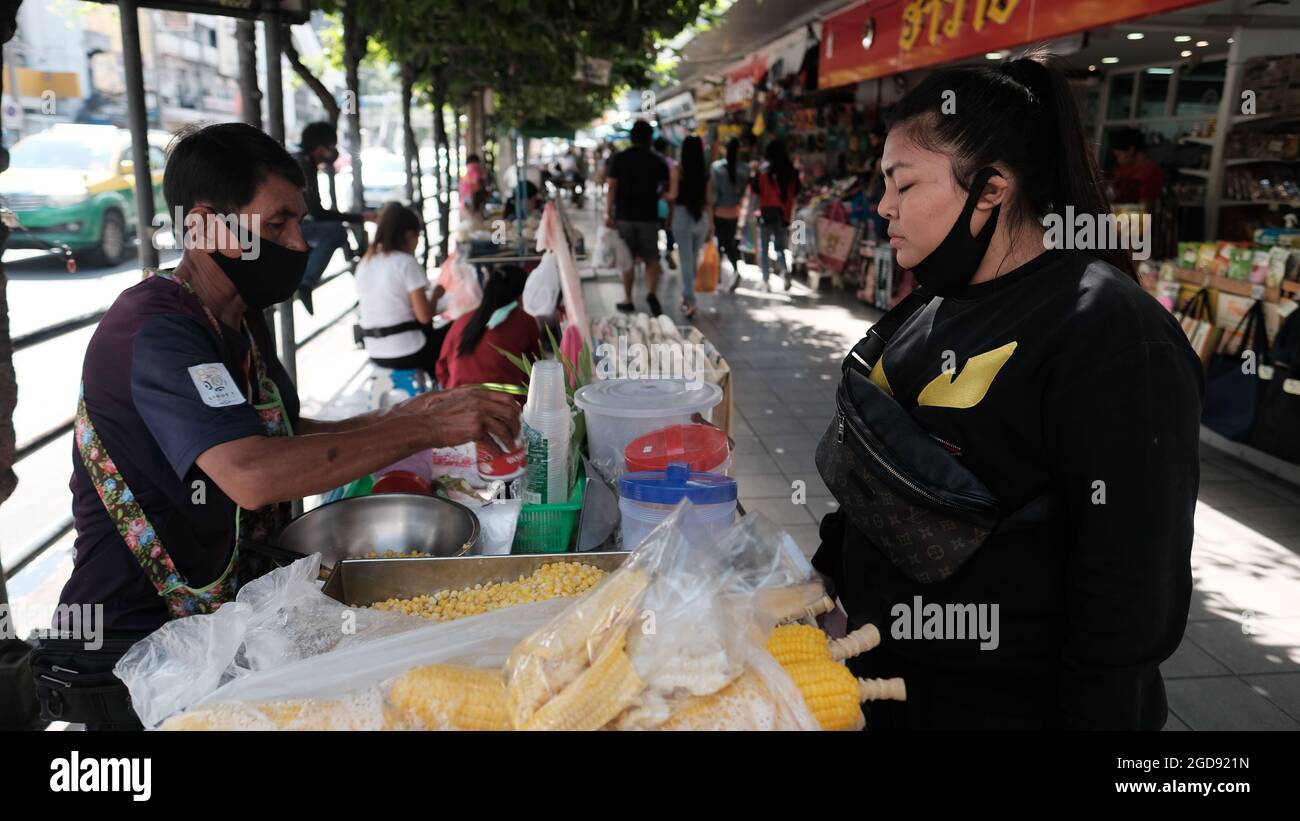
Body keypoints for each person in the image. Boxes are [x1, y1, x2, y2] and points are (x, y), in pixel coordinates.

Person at [48, 123, 520, 729]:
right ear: (207, 224)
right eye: (276, 225)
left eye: (298, 222)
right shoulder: (155, 329)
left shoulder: (238, 318)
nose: (298, 244)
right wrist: (422, 432)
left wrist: (410, 413)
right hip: (136, 655)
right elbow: (251, 472)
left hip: (222, 630)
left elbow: (285, 432)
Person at [812, 53, 1203, 731]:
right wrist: (822, 575)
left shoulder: (1111, 333)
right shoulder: (930, 304)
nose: (882, 208)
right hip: (884, 689)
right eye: (882, 183)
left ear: (990, 189)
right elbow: (882, 477)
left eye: (903, 184)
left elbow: (1130, 585)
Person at [292, 121, 377, 315]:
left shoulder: (303, 162)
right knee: (335, 231)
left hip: (291, 225)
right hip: (286, 227)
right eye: (331, 147)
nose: (333, 152)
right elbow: (317, 213)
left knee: (335, 231)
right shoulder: (303, 164)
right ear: (319, 147)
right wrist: (361, 217)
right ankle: (306, 282)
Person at [355, 202, 444, 376]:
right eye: (417, 237)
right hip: (409, 351)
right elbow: (424, 316)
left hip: (375, 351)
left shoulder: (366, 262)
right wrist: (436, 295)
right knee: (460, 331)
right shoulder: (405, 262)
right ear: (409, 235)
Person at [436, 265, 541, 389]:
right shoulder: (526, 322)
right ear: (522, 293)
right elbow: (536, 371)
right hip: (504, 403)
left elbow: (441, 368)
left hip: (458, 400)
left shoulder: (462, 320)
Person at [606, 120, 669, 316]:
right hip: (649, 216)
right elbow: (665, 188)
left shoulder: (619, 159)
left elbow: (612, 187)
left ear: (631, 137)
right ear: (650, 139)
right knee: (652, 258)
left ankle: (628, 299)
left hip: (624, 216)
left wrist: (608, 212)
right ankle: (651, 293)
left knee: (628, 259)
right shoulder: (658, 160)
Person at [665, 135, 712, 319]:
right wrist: (712, 226)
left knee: (685, 260)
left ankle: (691, 301)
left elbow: (673, 195)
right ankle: (687, 296)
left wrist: (664, 194)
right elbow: (709, 202)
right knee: (692, 259)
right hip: (701, 218)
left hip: (682, 216)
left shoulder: (677, 170)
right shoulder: (705, 172)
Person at [751, 138, 800, 292]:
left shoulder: (765, 172)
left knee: (764, 249)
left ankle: (766, 281)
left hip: (767, 212)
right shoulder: (791, 172)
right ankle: (784, 271)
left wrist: (754, 174)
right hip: (783, 214)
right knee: (780, 247)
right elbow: (796, 191)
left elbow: (757, 190)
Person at [710, 137, 750, 292]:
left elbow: (713, 194)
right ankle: (734, 270)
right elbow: (743, 192)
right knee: (730, 244)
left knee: (719, 244)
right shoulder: (744, 169)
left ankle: (719, 276)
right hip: (734, 212)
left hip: (719, 212)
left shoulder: (716, 168)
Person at [1109, 127, 1165, 210]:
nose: (1118, 160)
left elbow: (1144, 209)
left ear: (1131, 150)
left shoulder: (1150, 172)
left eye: (1118, 155)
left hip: (1134, 221)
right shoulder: (1121, 170)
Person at [654, 137, 678, 271]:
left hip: (653, 202)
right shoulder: (672, 164)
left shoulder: (650, 161)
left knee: (654, 231)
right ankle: (668, 252)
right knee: (669, 230)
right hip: (668, 202)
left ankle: (656, 258)